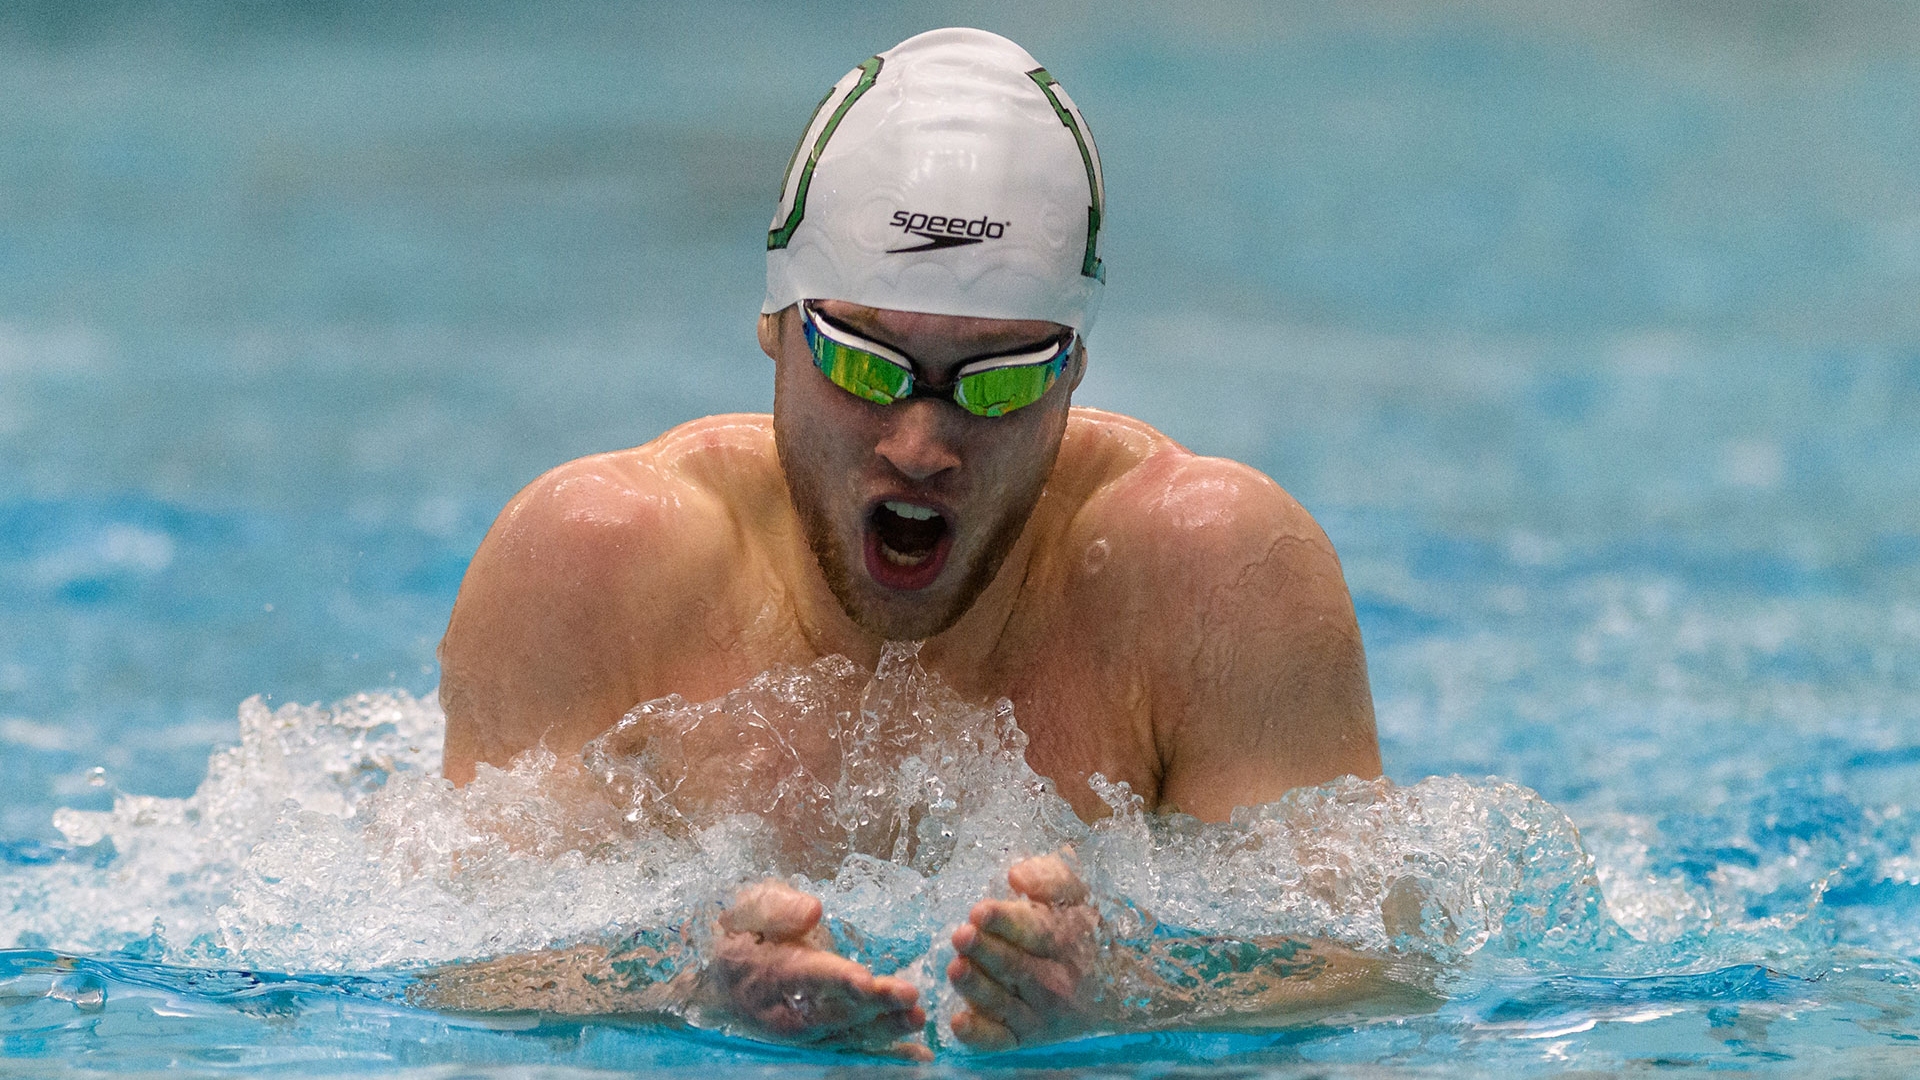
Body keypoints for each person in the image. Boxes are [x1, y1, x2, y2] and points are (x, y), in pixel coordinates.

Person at [435, 27, 1381, 1056]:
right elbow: (457, 971)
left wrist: (1134, 991)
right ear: (776, 322)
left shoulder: (1216, 572)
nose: (923, 443)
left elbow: (1372, 981)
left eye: (1001, 379)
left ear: (1072, 366)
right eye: (865, 364)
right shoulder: (591, 563)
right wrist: (688, 987)